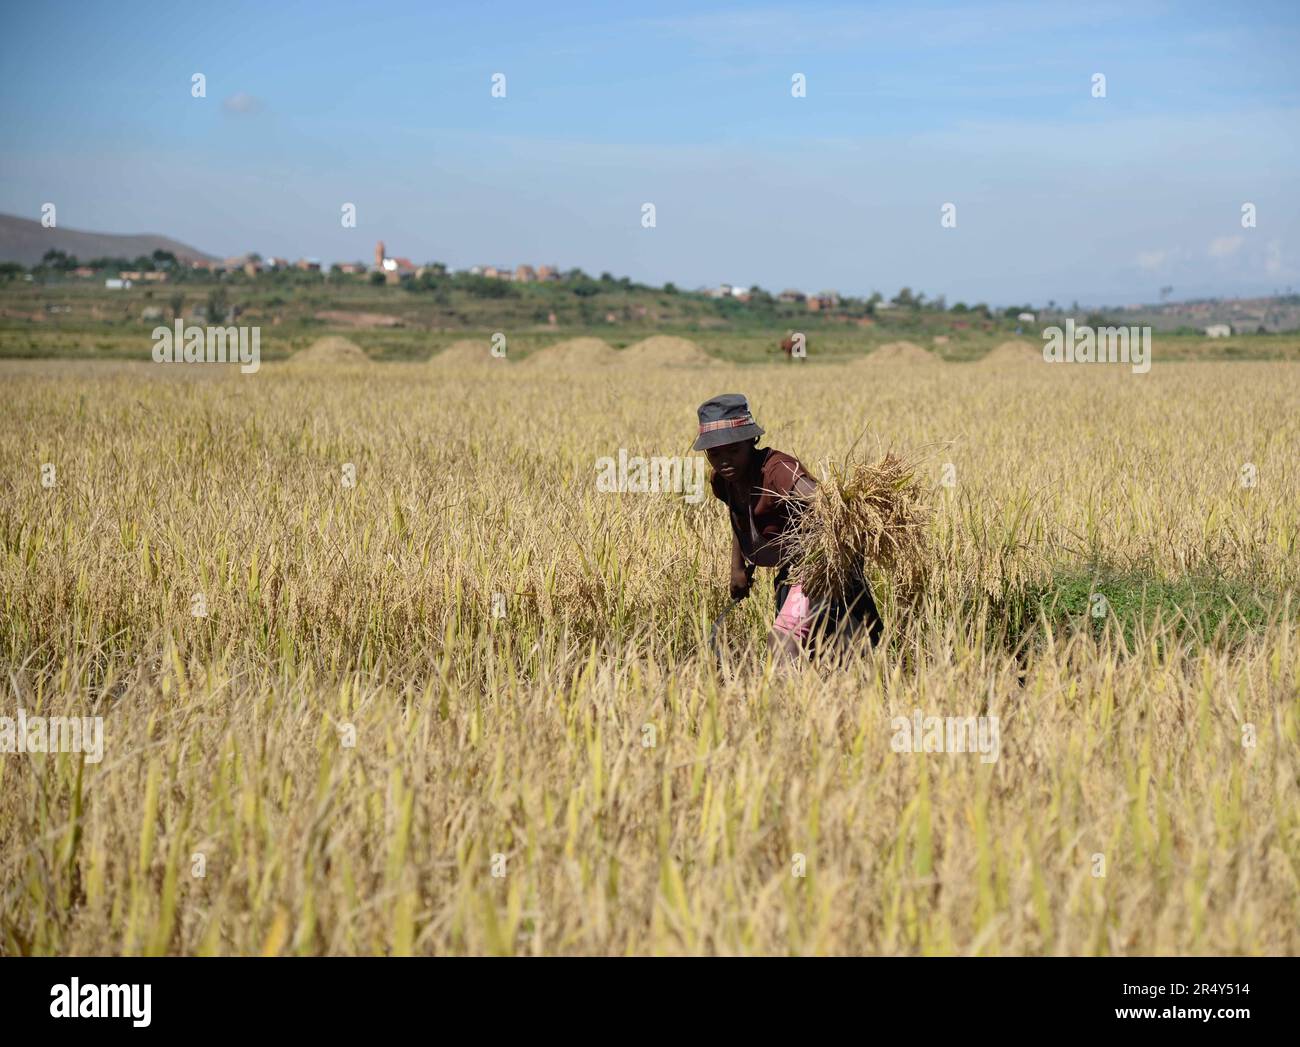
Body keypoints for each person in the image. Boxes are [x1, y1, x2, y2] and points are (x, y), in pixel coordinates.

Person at [693, 393, 883, 660]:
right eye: (714, 453)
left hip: (817, 562)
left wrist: (839, 536)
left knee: (784, 644)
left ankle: (786, 701)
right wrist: (737, 567)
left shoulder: (778, 470)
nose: (724, 461)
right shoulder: (724, 480)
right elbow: (740, 515)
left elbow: (823, 500)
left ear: (751, 441)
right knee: (819, 647)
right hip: (791, 567)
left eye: (734, 450)